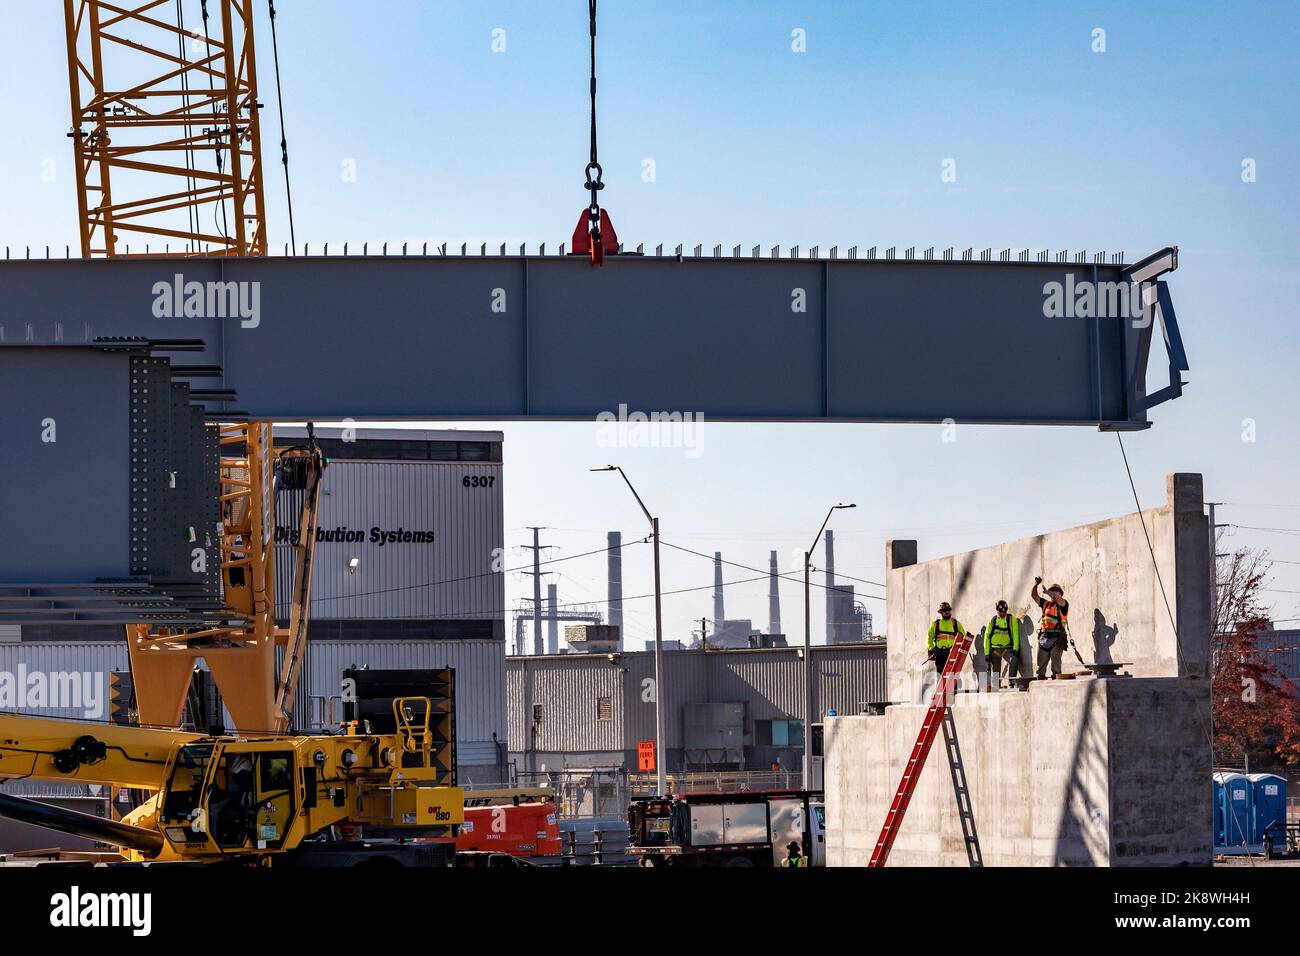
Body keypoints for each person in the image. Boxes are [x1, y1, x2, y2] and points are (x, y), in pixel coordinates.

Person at [1031, 577, 1069, 679]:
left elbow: (1059, 600)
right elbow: (1034, 596)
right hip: (1044, 637)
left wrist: (1048, 592)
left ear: (1060, 593)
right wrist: (1036, 584)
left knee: (1056, 668)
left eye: (1057, 591)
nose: (1055, 593)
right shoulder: (1045, 604)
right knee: (1040, 668)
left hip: (1057, 637)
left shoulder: (1063, 604)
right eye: (1053, 590)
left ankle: (1056, 685)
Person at [982, 599, 1021, 690]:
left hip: (1007, 648)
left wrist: (1016, 648)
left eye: (1004, 611)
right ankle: (996, 686)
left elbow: (1015, 634)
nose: (1003, 613)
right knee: (996, 668)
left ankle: (1011, 681)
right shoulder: (992, 621)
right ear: (997, 611)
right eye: (1000, 612)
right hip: (995, 649)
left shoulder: (1012, 619)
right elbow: (987, 638)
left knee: (1014, 659)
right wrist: (987, 653)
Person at [927, 602, 966, 676]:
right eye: (945, 610)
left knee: (953, 675)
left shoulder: (955, 623)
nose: (947, 612)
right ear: (941, 612)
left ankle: (954, 688)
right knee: (940, 675)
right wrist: (932, 648)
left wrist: (958, 649)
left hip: (953, 652)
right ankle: (941, 688)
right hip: (940, 653)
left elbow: (963, 636)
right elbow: (929, 637)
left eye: (948, 610)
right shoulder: (936, 624)